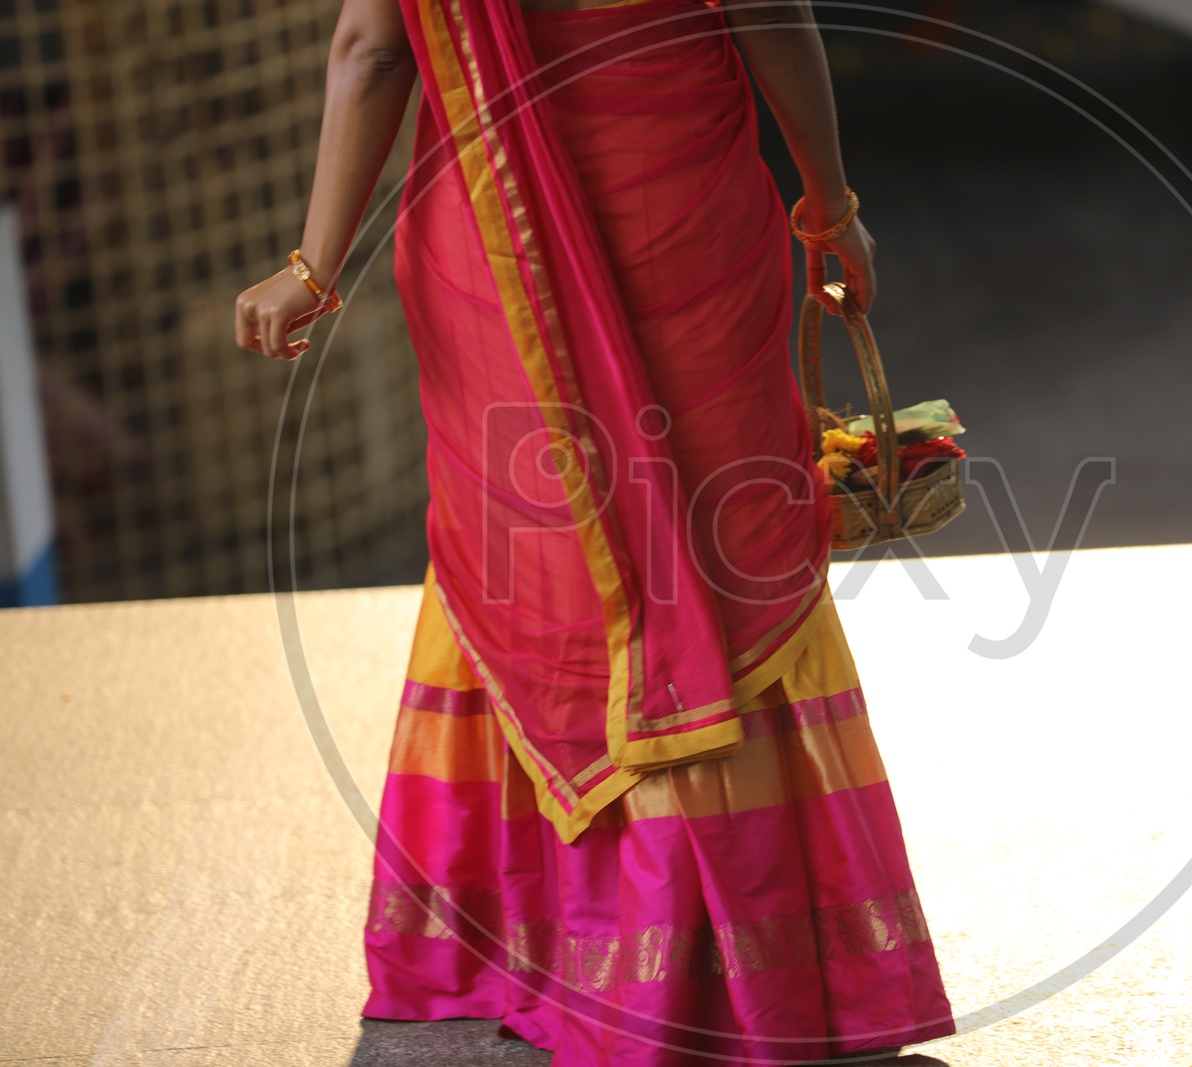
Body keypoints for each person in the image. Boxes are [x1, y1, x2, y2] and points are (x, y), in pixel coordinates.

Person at [234, 0, 956, 1063]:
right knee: (712, 558)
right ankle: (744, 956)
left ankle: (539, 937)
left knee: (537, 559)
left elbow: (375, 47)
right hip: (684, 221)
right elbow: (768, 14)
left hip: (490, 246)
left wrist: (313, 265)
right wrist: (827, 204)